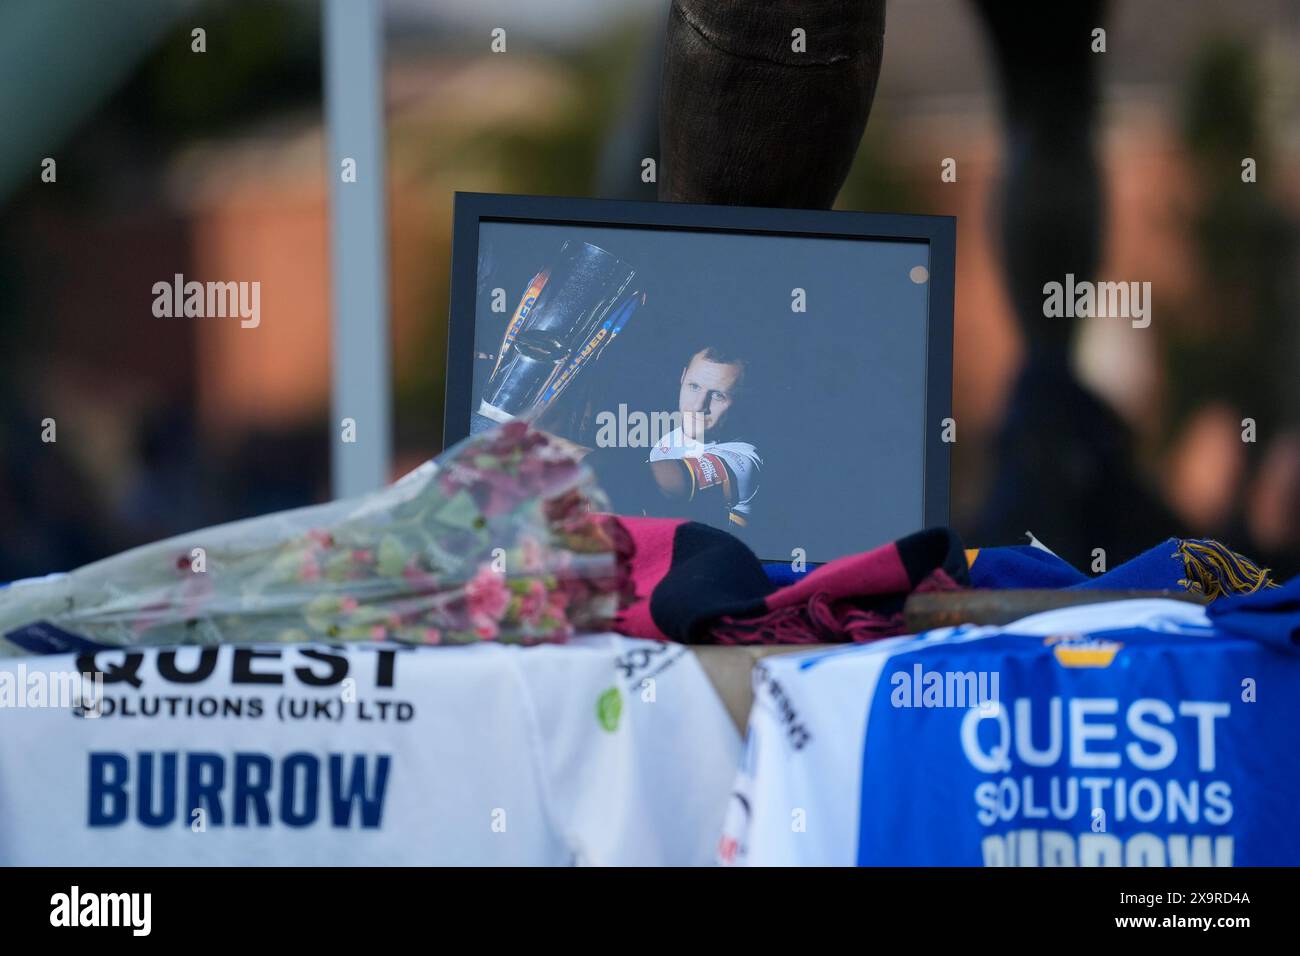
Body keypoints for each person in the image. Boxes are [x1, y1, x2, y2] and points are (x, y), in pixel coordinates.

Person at [582, 343, 763, 534]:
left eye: (718, 395)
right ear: (683, 377)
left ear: (741, 401)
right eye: (694, 387)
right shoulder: (672, 438)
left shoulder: (741, 460)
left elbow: (627, 475)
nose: (698, 406)